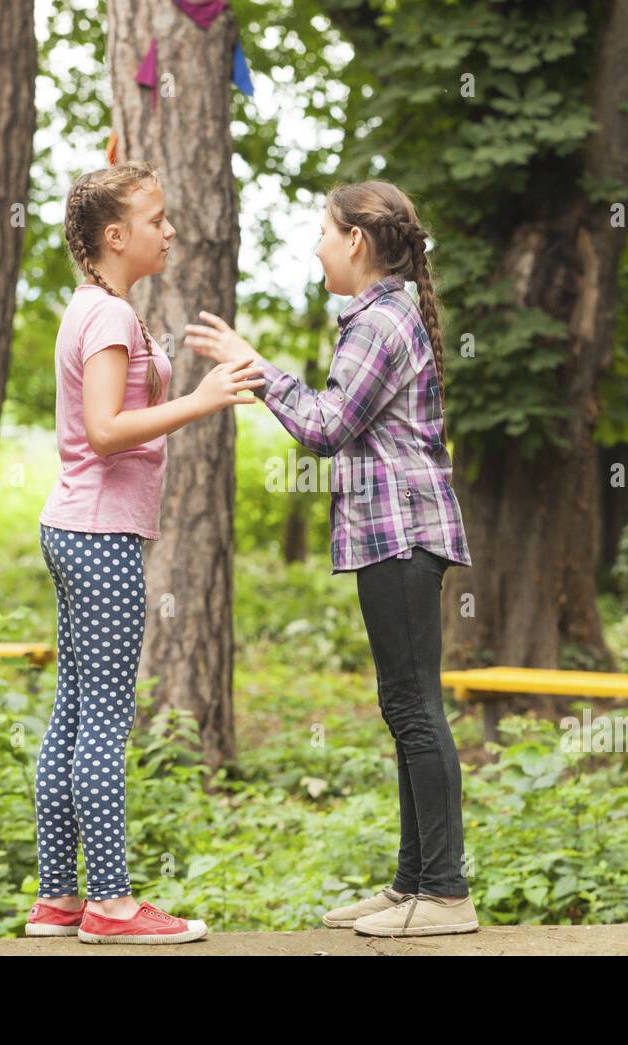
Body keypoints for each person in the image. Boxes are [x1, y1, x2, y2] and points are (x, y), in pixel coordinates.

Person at [184, 179, 478, 938]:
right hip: (393, 536)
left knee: (415, 707)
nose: (315, 247)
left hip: (405, 535)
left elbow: (325, 425)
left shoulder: (381, 323)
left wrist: (253, 365)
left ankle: (445, 892)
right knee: (403, 703)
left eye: (322, 232)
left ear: (355, 241)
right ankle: (413, 881)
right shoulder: (377, 316)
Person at [25, 160, 264, 944]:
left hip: (78, 527)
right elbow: (103, 429)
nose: (170, 230)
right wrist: (198, 400)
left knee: (71, 716)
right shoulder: (110, 320)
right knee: (103, 718)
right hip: (100, 535)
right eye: (156, 219)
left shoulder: (98, 306)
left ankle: (58, 899)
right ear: (116, 236)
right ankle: (113, 905)